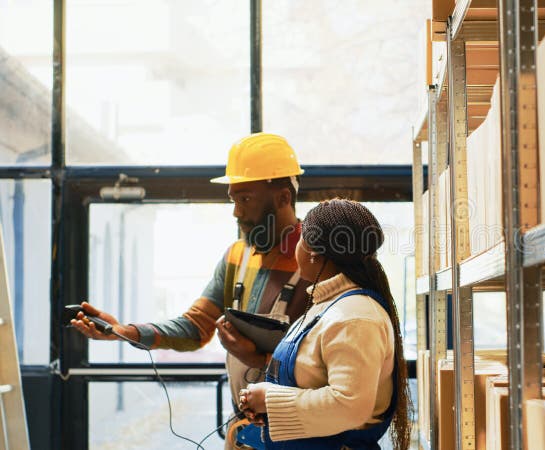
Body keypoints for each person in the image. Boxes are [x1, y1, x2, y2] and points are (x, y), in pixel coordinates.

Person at [69, 132, 312, 449]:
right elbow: (196, 327)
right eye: (233, 200)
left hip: (300, 436)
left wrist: (257, 359)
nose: (236, 212)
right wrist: (124, 332)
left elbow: (323, 367)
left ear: (283, 198)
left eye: (246, 199)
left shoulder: (317, 262)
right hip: (245, 434)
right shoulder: (236, 257)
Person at [237, 198, 411, 450]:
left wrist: (269, 399)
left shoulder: (355, 316)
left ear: (313, 253)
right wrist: (270, 411)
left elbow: (349, 406)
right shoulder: (328, 306)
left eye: (301, 238)